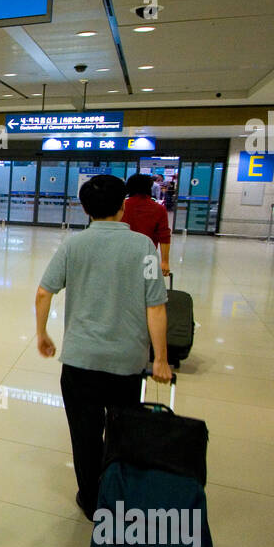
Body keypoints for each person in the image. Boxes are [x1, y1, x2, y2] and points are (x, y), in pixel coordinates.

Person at [35, 173, 171, 519]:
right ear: (123, 208)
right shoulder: (143, 247)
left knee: (85, 435)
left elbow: (43, 292)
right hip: (126, 363)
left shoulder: (72, 245)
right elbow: (155, 306)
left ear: (84, 209)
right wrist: (161, 360)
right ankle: (118, 492)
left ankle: (91, 498)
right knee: (121, 430)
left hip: (80, 361)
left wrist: (42, 334)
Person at [122, 173, 172, 276]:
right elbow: (164, 237)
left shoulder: (120, 207)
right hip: (149, 257)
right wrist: (165, 262)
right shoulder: (159, 209)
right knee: (149, 289)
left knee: (121, 289)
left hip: (122, 255)